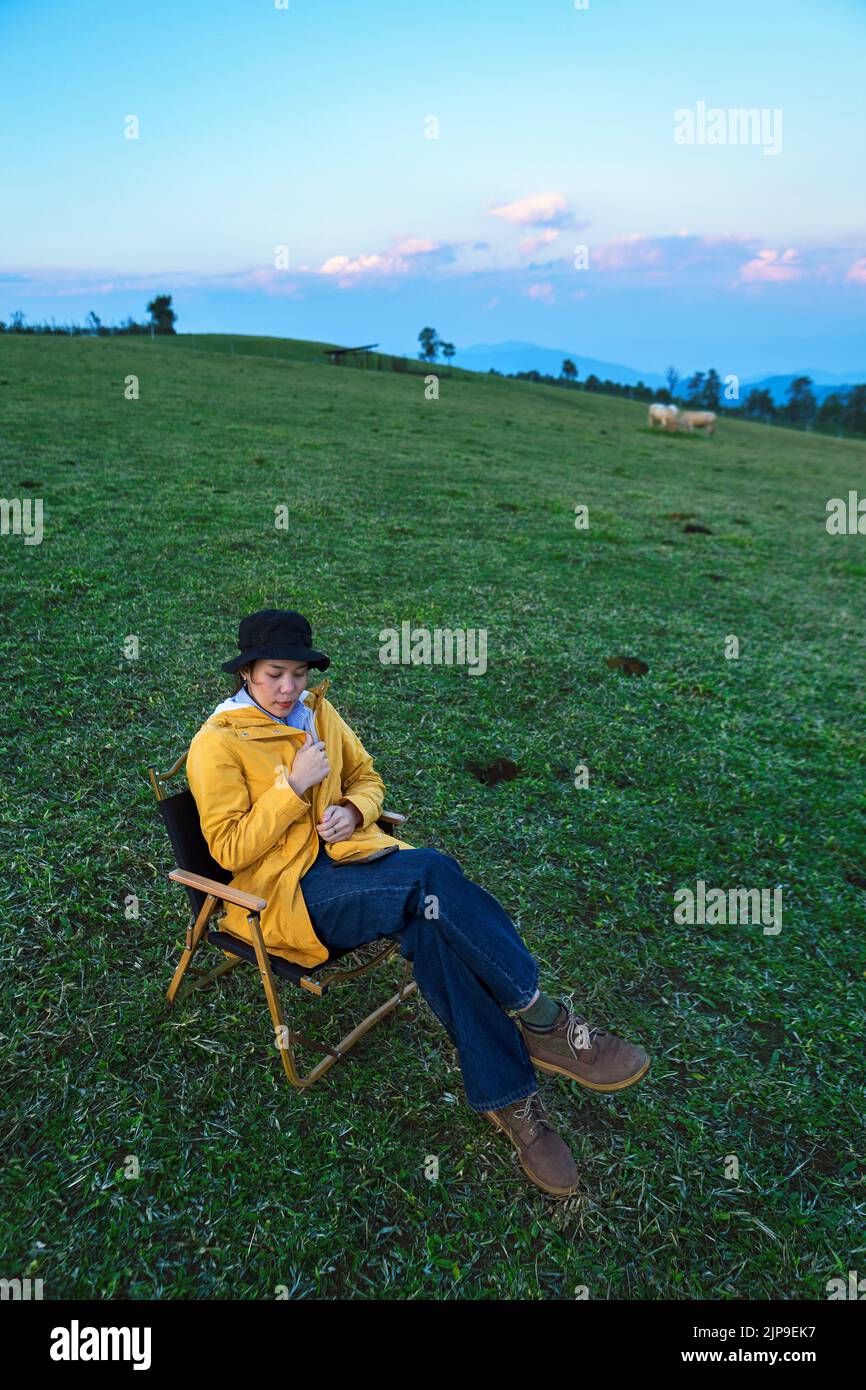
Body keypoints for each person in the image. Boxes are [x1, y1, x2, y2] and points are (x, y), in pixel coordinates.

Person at [186, 608, 650, 1197]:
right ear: (247, 671)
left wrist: (354, 810)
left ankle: (511, 1101)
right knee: (431, 870)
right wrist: (291, 788)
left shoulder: (318, 713)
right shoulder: (218, 744)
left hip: (349, 859)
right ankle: (545, 1020)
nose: (288, 688)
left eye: (298, 674)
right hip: (287, 896)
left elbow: (367, 777)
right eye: (275, 673)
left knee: (433, 926)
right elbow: (227, 850)